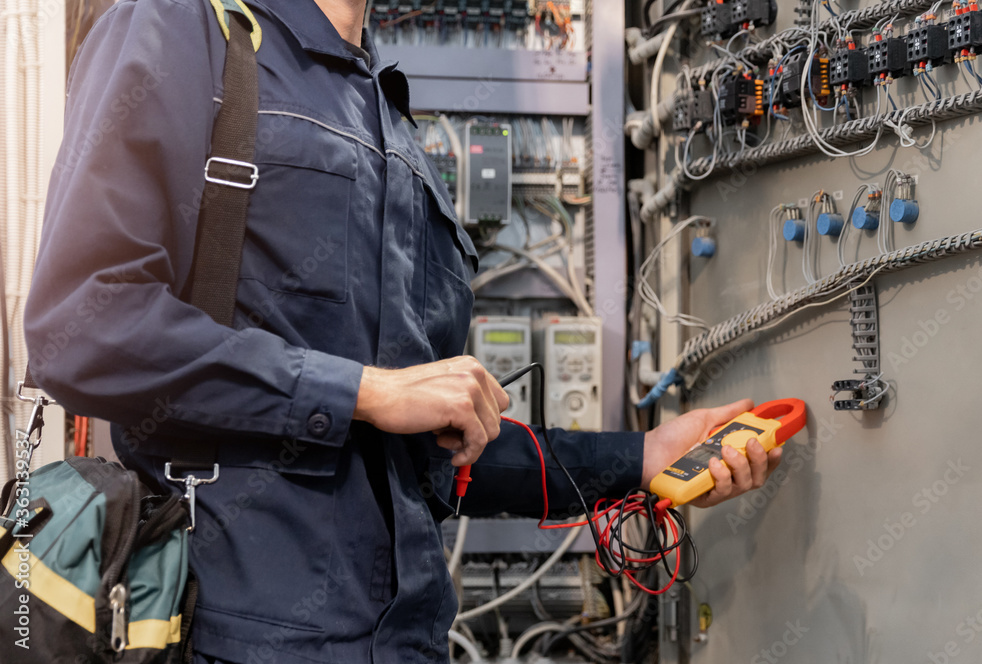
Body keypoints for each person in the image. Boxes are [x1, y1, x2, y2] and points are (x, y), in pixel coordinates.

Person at [23, 1, 782, 662]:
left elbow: (433, 449)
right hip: (226, 631)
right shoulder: (182, 29)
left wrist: (641, 458)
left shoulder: (388, 118)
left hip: (407, 637)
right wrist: (361, 389)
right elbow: (81, 327)